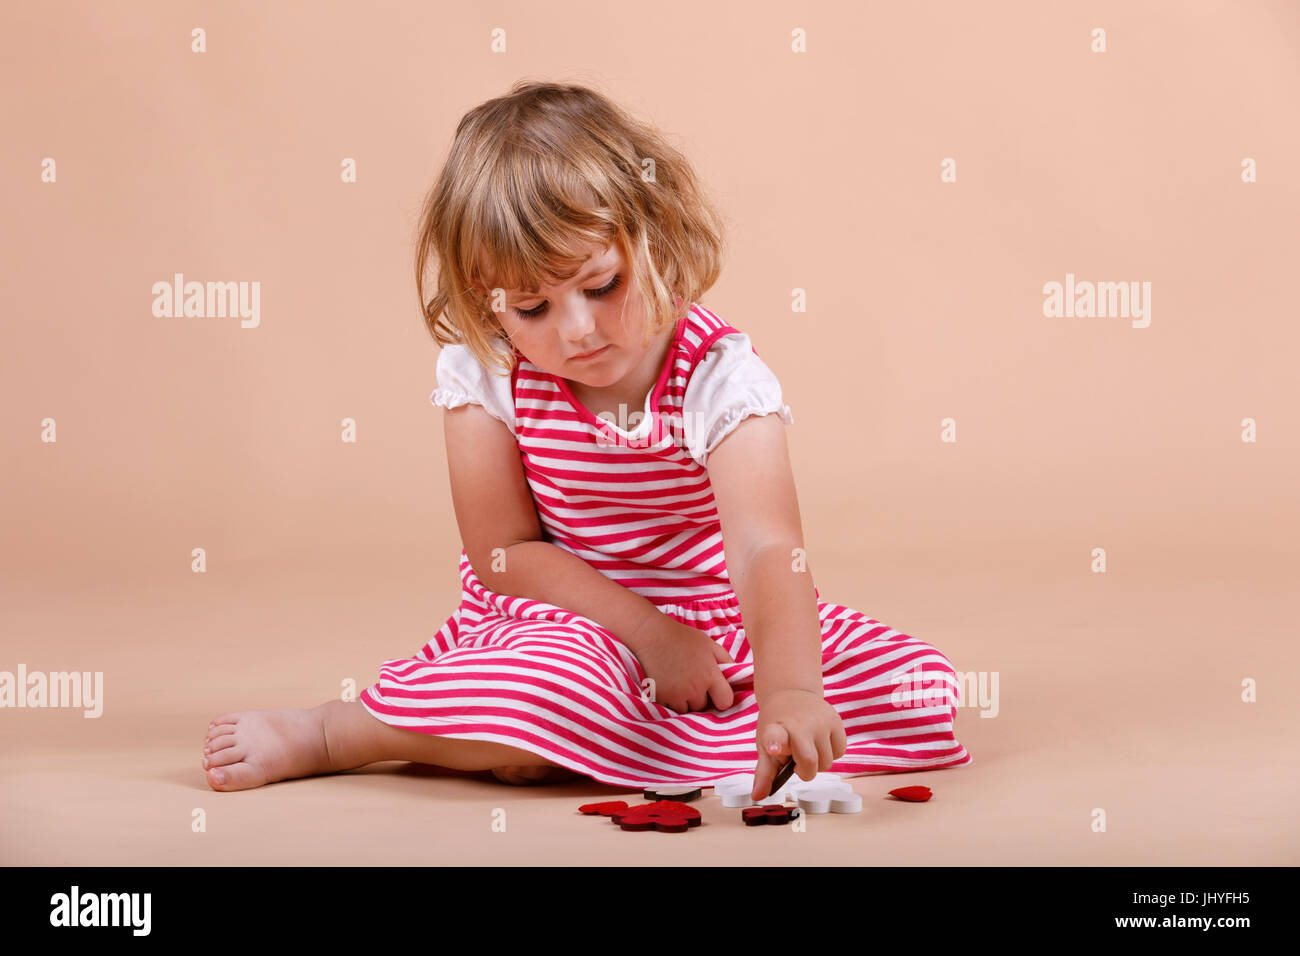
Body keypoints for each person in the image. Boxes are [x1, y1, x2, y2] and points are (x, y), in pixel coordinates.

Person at [202, 80, 971, 800]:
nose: (576, 331)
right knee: (553, 687)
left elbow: (768, 552)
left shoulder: (717, 376)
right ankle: (344, 732)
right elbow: (502, 553)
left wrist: (792, 692)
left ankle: (545, 743)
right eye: (531, 308)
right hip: (561, 620)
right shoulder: (487, 374)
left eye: (601, 286)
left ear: (654, 234)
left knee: (922, 687)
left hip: (716, 619)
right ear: (487, 303)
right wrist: (647, 635)